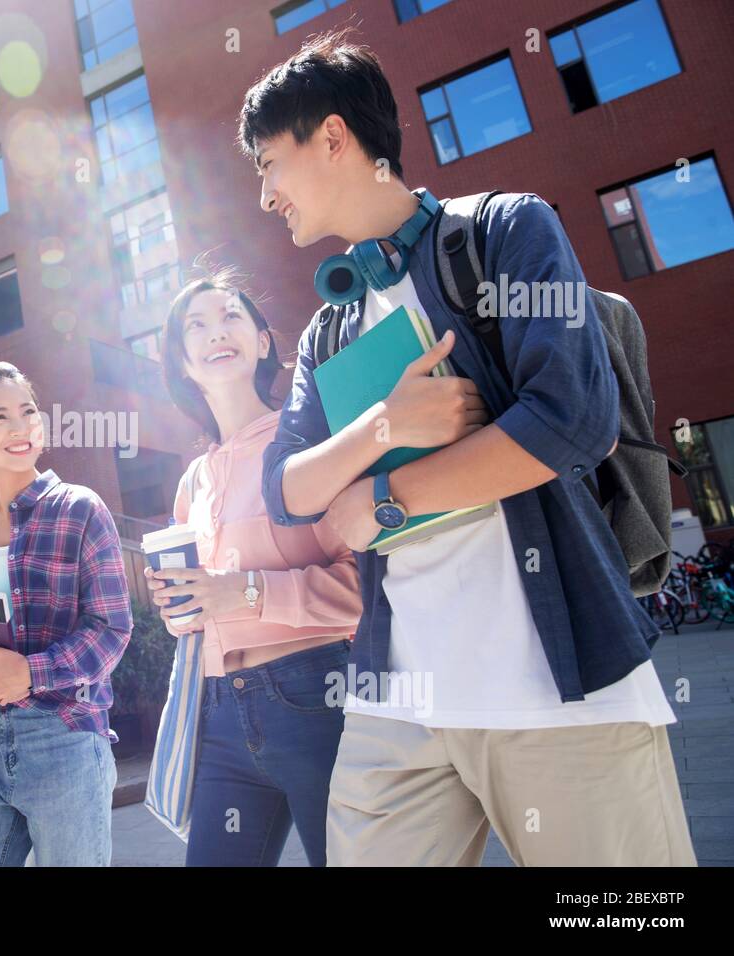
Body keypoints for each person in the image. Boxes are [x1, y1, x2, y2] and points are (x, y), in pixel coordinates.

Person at [240, 29, 695, 866]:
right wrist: (388, 429)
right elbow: (288, 494)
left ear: (333, 137)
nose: (265, 193)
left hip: (563, 693)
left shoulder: (506, 231)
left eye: (269, 162)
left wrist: (380, 499)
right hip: (397, 706)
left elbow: (567, 422)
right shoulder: (327, 329)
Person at [147, 270, 363, 866]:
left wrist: (242, 592)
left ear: (263, 341)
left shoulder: (308, 443)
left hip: (316, 698)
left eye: (231, 317)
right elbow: (197, 620)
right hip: (217, 716)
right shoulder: (193, 482)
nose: (216, 333)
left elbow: (365, 587)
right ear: (182, 363)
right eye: (196, 326)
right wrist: (180, 606)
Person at [0, 362, 131, 866]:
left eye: (28, 412)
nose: (20, 428)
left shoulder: (79, 508)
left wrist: (29, 673)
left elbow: (111, 629)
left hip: (66, 738)